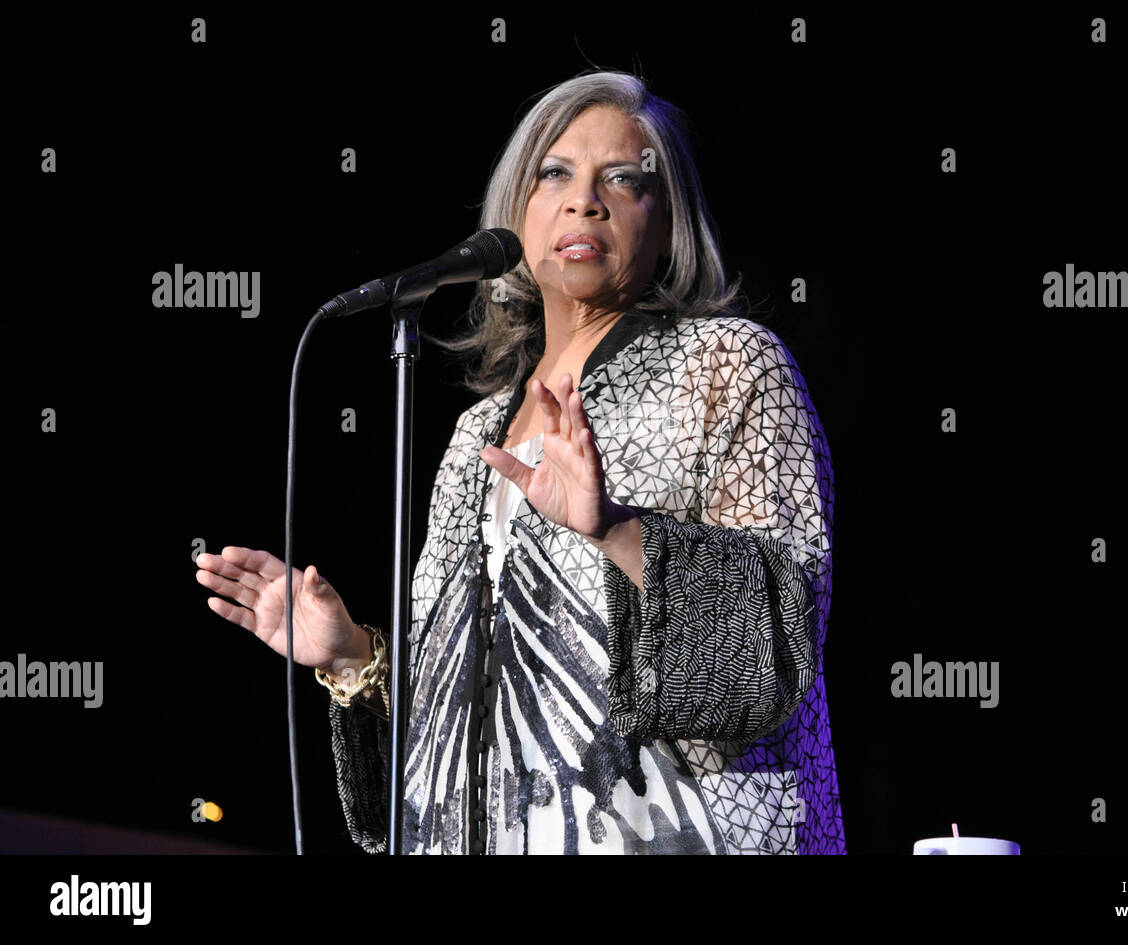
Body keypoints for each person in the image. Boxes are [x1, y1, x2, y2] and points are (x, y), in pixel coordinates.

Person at [195, 69, 844, 854]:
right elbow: (463, 720)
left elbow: (777, 643)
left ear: (668, 220)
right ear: (519, 213)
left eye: (624, 180)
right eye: (556, 174)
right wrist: (351, 656)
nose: (585, 201)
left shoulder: (729, 365)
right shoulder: (477, 435)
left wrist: (615, 529)